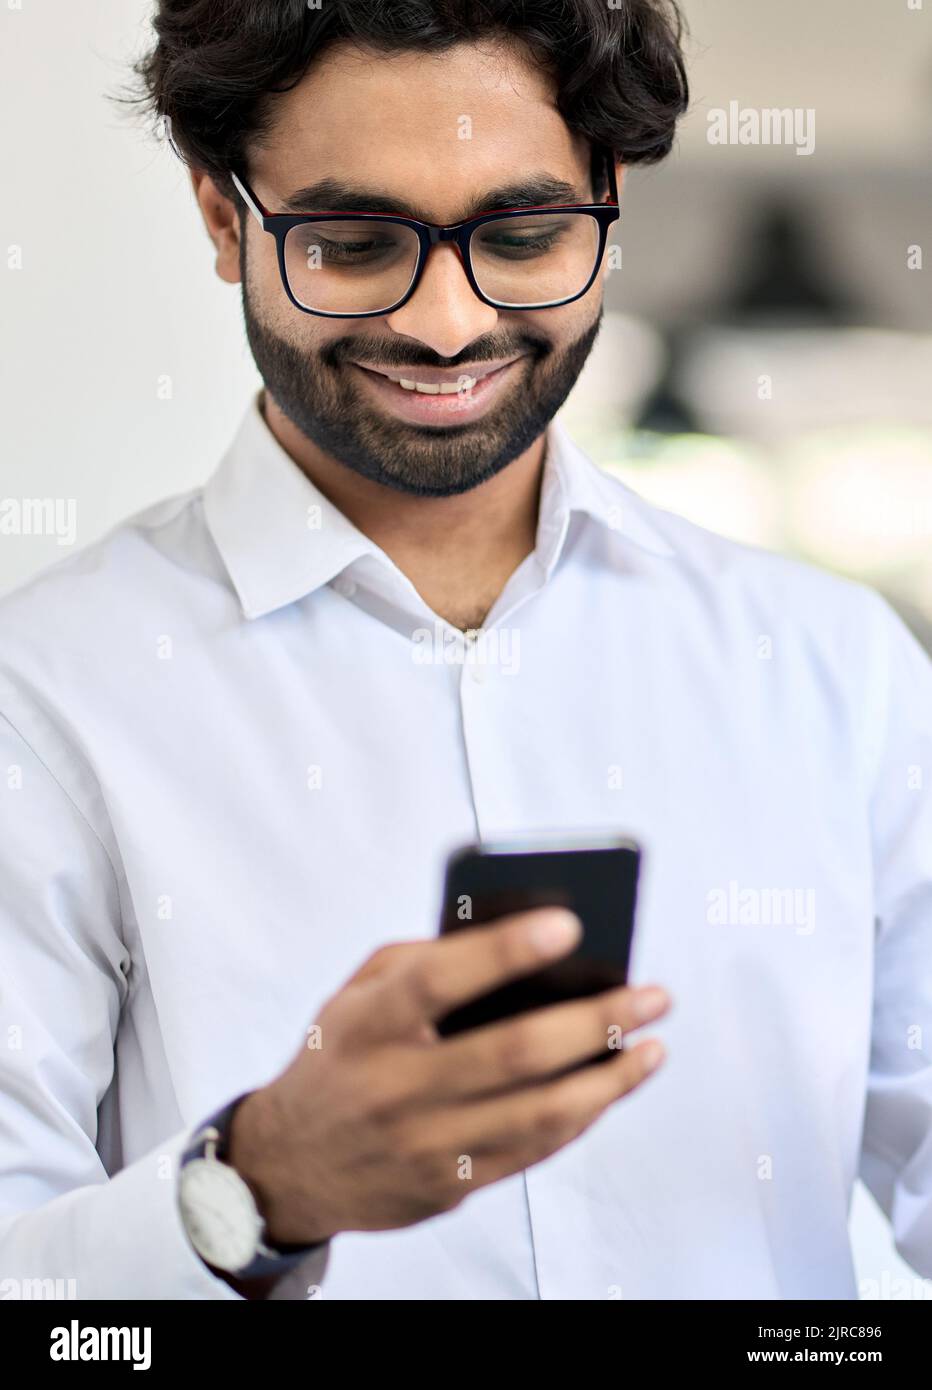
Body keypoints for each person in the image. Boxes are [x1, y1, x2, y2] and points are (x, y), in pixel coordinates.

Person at [0, 0, 929, 1302]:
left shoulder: (840, 672)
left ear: (609, 196)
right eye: (357, 242)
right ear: (223, 216)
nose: (445, 324)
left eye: (525, 233)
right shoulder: (41, 702)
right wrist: (257, 1186)